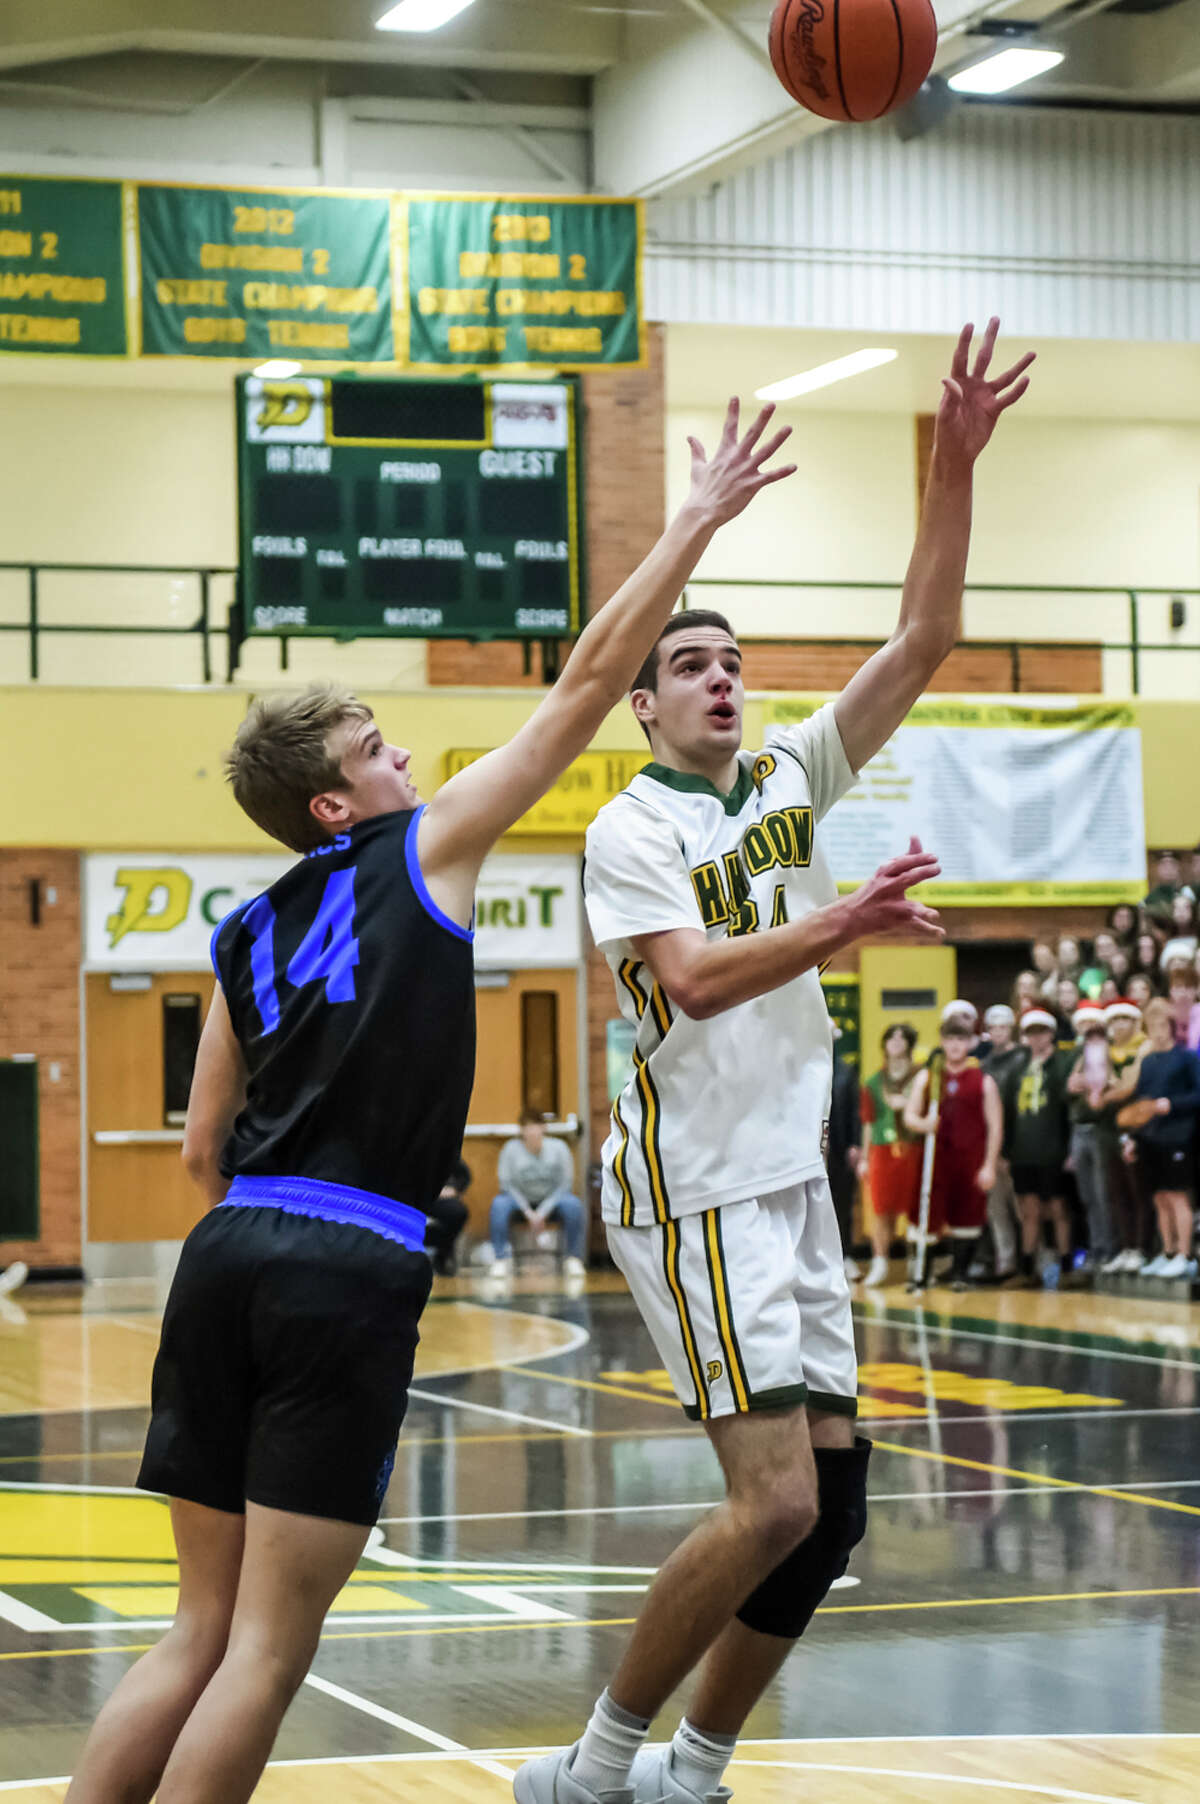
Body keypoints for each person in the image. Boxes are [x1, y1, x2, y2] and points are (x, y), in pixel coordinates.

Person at [61, 396, 799, 1804]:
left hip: (224, 1262)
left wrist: (269, 1232)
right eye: (381, 750)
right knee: (271, 1648)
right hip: (346, 1256)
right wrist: (696, 516)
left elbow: (201, 1146)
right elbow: (588, 680)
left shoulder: (240, 933)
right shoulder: (422, 848)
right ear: (339, 804)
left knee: (196, 1631)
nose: (408, 762)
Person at [516, 318, 1034, 1804]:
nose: (723, 681)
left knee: (835, 1504)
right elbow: (688, 978)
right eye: (692, 664)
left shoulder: (793, 779)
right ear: (645, 702)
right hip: (692, 1185)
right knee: (774, 1499)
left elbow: (923, 637)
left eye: (736, 663)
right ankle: (593, 1767)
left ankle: (696, 1764)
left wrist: (953, 461)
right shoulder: (632, 828)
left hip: (785, 1177)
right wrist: (842, 927)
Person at [904, 1015, 1003, 1291]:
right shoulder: (929, 1076)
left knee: (967, 1215)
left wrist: (989, 1165)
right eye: (950, 1040)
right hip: (934, 1160)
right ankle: (921, 1274)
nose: (956, 1045)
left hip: (969, 1161)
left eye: (961, 1039)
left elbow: (995, 1126)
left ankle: (960, 1272)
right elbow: (910, 1116)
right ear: (942, 1042)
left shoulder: (983, 1080)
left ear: (970, 1043)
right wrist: (924, 1123)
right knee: (925, 1213)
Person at [1123, 997, 1200, 1278]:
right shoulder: (1148, 1063)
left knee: (1178, 1196)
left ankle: (1185, 1254)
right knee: (1159, 1197)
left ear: (1171, 1027)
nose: (1158, 1030)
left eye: (1162, 1024)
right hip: (1151, 1138)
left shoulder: (1187, 1058)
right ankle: (1167, 1252)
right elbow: (1141, 1105)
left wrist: (1172, 1104)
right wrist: (1132, 1138)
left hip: (1178, 1136)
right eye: (1152, 1025)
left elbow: (1198, 1094)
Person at [1000, 1007, 1072, 1288]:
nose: (1036, 1038)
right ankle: (1028, 1267)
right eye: (1030, 1032)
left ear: (1051, 1034)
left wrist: (1069, 1150)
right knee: (1028, 1209)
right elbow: (1007, 1110)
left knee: (1058, 1207)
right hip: (1023, 1149)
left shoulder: (1061, 1064)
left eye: (1041, 1031)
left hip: (1054, 1148)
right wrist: (1006, 1150)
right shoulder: (1018, 1068)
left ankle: (1066, 1266)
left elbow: (1068, 1107)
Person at [859, 1024, 923, 1288]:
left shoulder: (922, 1076)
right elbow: (868, 1122)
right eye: (891, 1037)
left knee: (916, 1208)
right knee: (882, 1210)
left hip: (913, 1147)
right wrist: (864, 1157)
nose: (896, 1042)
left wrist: (907, 1105)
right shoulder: (874, 1082)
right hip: (883, 1150)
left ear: (909, 1043)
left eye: (901, 1037)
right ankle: (880, 1262)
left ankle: (918, 1263)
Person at [491, 1112, 587, 1279]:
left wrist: (542, 1212)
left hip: (552, 1201)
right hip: (519, 1202)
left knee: (574, 1205)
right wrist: (528, 1212)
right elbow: (507, 1185)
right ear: (522, 1130)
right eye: (528, 1127)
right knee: (499, 1205)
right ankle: (501, 1259)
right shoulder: (510, 1149)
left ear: (544, 1128)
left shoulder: (559, 1148)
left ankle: (573, 1258)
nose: (533, 1131)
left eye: (536, 1126)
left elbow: (565, 1184)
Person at [1098, 997, 1151, 1274]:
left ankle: (1141, 1248)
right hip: (1109, 1128)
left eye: (1124, 1019)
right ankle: (1125, 1246)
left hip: (1136, 1127)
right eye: (1114, 1020)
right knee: (1116, 1192)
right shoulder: (1103, 1051)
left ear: (1135, 1021)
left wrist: (1106, 1090)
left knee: (1137, 1190)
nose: (1119, 1025)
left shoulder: (1144, 1047)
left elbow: (1130, 1086)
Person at [1065, 1002, 1115, 1277]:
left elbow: (1113, 1088)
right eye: (1085, 1029)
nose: (1090, 1034)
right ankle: (1096, 1247)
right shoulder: (1077, 1058)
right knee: (1087, 1196)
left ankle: (1108, 1248)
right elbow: (1067, 1092)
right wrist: (1074, 1084)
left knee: (1103, 1194)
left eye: (1095, 1030)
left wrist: (1102, 1086)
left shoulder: (1110, 1057)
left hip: (1100, 1130)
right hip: (1078, 1129)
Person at [979, 1004, 1024, 1282]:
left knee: (1023, 1208)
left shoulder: (1022, 1059)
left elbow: (1019, 1109)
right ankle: (1004, 1260)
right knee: (996, 1209)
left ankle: (1032, 1258)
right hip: (992, 1149)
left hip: (1017, 1147)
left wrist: (1010, 1150)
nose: (998, 1032)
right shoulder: (984, 1064)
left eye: (1003, 1027)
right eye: (993, 1027)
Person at [826, 1028, 862, 1283]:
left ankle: (845, 1255)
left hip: (839, 1150)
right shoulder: (802, 1068)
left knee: (842, 1203)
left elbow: (855, 1111)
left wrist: (855, 1144)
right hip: (810, 1154)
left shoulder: (845, 1072)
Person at [426, 1155, 470, 1277]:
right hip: (405, 1198)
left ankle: (442, 1253)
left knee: (458, 1212)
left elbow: (464, 1175)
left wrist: (454, 1189)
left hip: (439, 1198)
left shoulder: (440, 1146)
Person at [1143, 851, 1189, 927]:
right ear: (1158, 869)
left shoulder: (1187, 893)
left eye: (1172, 864)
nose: (1168, 869)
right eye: (1164, 865)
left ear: (1178, 868)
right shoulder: (1150, 897)